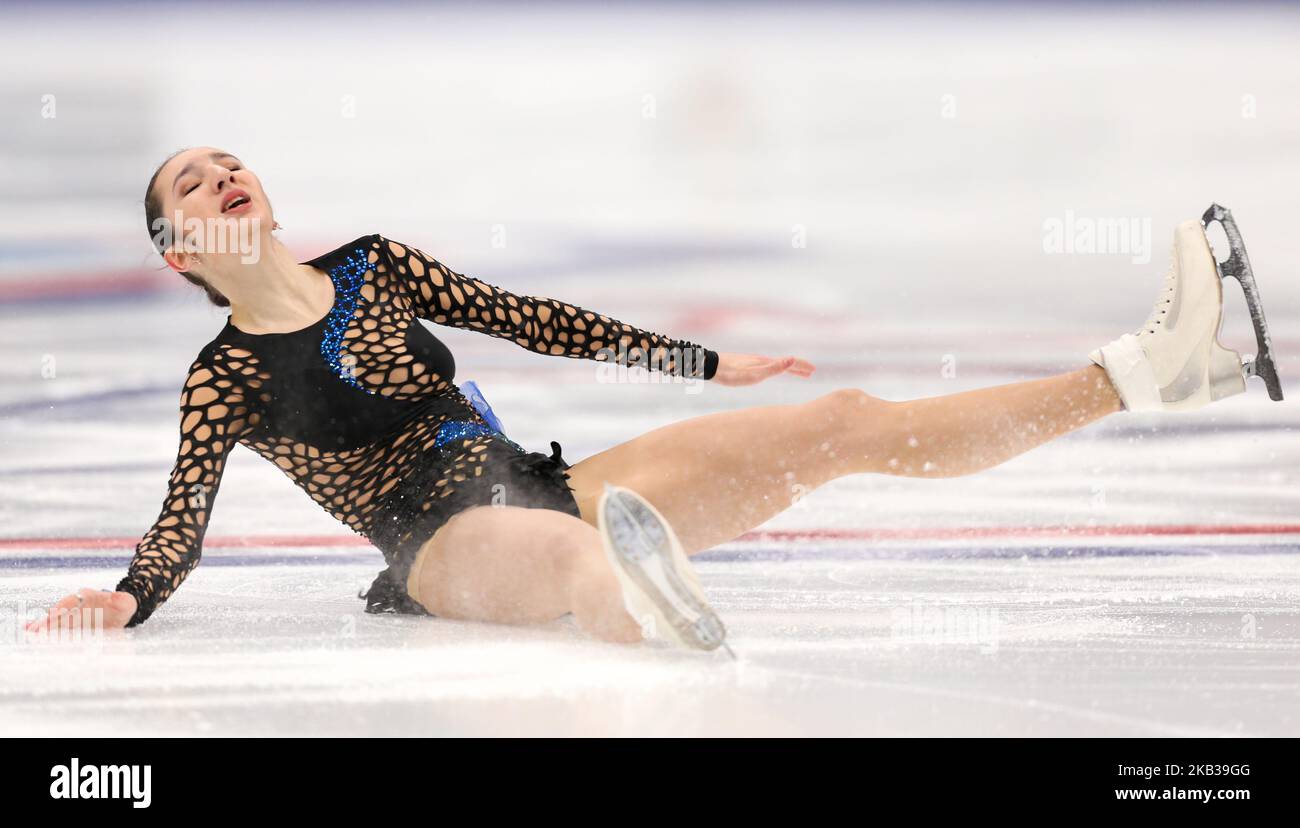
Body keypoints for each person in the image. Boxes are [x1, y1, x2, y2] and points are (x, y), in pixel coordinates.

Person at [24, 147, 1279, 647]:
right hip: (441, 550)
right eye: (192, 184)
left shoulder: (378, 269)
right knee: (577, 561)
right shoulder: (225, 379)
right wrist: (127, 598)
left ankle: (1135, 375)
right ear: (179, 254)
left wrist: (703, 365)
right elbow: (183, 515)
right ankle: (668, 626)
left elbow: (537, 321)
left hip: (539, 481)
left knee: (833, 428)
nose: (222, 173)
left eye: (229, 161)